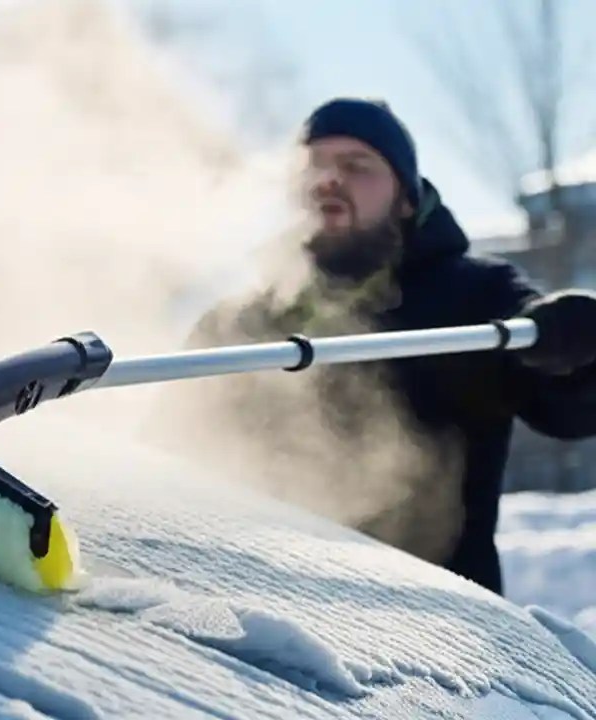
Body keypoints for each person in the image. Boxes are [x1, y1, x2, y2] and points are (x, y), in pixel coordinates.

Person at [157, 97, 596, 595]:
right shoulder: (240, 323)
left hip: (438, 625)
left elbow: (571, 409)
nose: (328, 179)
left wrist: (574, 345)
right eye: (314, 165)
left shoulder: (477, 297)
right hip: (265, 617)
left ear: (406, 197)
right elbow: (168, 454)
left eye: (355, 166)